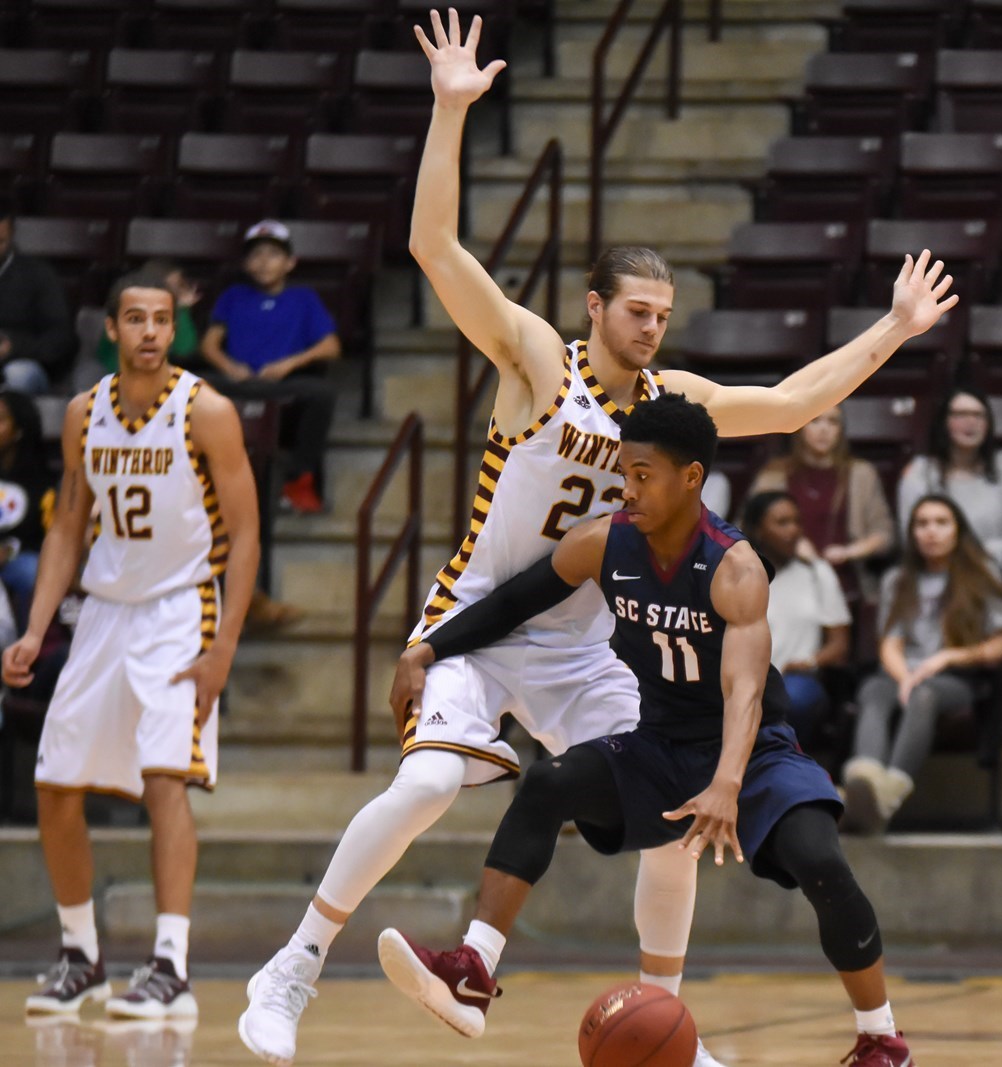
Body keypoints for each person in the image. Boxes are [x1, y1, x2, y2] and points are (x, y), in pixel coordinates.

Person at [235, 11, 956, 1067]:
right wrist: (447, 111)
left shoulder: (675, 400)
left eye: (663, 312)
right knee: (434, 785)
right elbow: (433, 246)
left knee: (670, 806)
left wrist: (892, 329)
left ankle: (672, 1027)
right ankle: (292, 963)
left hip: (589, 643)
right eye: (636, 309)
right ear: (595, 307)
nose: (652, 326)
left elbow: (797, 398)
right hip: (483, 613)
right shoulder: (536, 360)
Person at [378, 394, 918, 1067]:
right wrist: (427, 648)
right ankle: (473, 968)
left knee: (821, 859)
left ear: (690, 478)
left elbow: (745, 689)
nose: (626, 489)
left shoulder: (735, 565)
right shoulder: (605, 542)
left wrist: (727, 781)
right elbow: (517, 600)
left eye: (643, 475)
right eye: (624, 473)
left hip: (753, 751)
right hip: (658, 743)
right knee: (549, 782)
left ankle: (881, 1039)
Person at [3, 267, 260, 1019]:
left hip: (182, 610)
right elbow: (66, 526)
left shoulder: (206, 411)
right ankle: (81, 954)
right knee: (55, 784)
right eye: (135, 319)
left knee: (163, 782)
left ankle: (171, 966)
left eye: (162, 319)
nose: (150, 331)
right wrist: (36, 627)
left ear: (173, 328)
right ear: (110, 329)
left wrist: (224, 649)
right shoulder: (84, 413)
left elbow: (245, 537)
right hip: (105, 613)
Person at [840, 494, 1002, 834]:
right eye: (922, 524)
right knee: (874, 689)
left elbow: (1000, 644)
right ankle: (865, 781)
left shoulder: (982, 574)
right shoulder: (898, 579)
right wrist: (906, 676)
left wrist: (948, 656)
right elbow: (890, 643)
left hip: (956, 678)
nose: (930, 532)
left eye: (941, 523)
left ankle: (882, 798)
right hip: (904, 673)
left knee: (925, 695)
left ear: (957, 530)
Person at [200, 219, 340, 515]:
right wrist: (231, 368)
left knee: (322, 393)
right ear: (246, 263)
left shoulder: (303, 298)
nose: (263, 262)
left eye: (273, 255)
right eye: (256, 255)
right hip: (239, 381)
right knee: (192, 387)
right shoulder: (233, 296)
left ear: (290, 263)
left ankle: (298, 482)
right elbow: (209, 345)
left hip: (280, 382)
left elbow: (331, 347)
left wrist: (289, 363)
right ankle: (199, 480)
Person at [742, 490, 852, 749]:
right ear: (758, 530)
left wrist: (810, 661)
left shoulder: (817, 573)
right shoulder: (737, 576)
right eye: (782, 523)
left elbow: (839, 644)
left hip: (798, 680)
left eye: (796, 522)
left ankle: (782, 769)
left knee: (792, 698)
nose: (793, 531)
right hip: (746, 680)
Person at [750, 405, 895, 591]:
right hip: (783, 581)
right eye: (815, 421)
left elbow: (885, 535)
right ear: (800, 426)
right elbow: (746, 529)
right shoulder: (773, 474)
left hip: (845, 581)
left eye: (833, 422)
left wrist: (849, 552)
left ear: (841, 429)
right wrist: (789, 544)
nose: (824, 429)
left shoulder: (862, 473)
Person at [896, 387, 1002, 568]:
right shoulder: (919, 472)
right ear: (944, 422)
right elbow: (908, 537)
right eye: (961, 415)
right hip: (937, 568)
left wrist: (989, 551)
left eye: (979, 415)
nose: (971, 422)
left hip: (998, 568)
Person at [0, 194, 76, 393]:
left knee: (19, 374)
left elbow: (60, 339)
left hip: (21, 363)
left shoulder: (39, 275)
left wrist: (12, 347)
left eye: (0, 242)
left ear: (12, 234)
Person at [0, 390, 51, 637]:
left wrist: (7, 550)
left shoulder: (40, 482)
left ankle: (29, 647)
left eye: (1, 421)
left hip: (16, 561)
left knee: (32, 570)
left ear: (19, 429)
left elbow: (41, 539)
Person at [98, 260, 203, 373]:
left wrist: (182, 310)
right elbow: (103, 353)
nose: (176, 292)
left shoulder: (172, 312)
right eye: (171, 287)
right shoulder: (125, 308)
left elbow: (185, 349)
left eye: (179, 285)